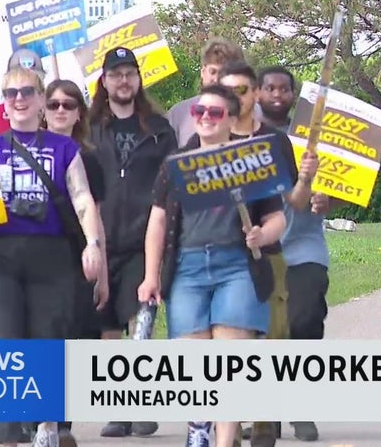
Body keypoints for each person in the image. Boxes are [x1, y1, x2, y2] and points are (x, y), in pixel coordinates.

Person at [138, 85, 288, 447]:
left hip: (237, 267)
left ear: (232, 120)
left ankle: (223, 442)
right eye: (199, 112)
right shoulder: (176, 165)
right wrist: (150, 276)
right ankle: (199, 427)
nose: (205, 118)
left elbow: (277, 218)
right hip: (187, 268)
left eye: (215, 113)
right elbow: (157, 222)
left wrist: (262, 235)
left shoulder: (250, 163)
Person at [0, 67, 108, 447]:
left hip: (49, 258)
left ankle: (48, 427)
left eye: (27, 92)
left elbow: (82, 197)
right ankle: (7, 438)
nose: (19, 99)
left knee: (49, 343)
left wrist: (92, 243)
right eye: (11, 93)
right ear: (3, 100)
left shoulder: (63, 148)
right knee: (1, 347)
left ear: (39, 98)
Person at [219, 62, 318, 447]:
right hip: (223, 255)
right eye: (228, 91)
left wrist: (307, 178)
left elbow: (293, 199)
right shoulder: (207, 139)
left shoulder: (275, 143)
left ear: (253, 94)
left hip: (270, 252)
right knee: (233, 342)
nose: (235, 99)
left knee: (273, 337)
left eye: (242, 91)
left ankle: (264, 420)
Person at [85, 47, 177, 439]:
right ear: (103, 81)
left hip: (146, 239)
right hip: (102, 240)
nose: (124, 80)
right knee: (107, 326)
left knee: (141, 321)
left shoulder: (159, 128)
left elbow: (175, 183)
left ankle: (140, 404)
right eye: (116, 73)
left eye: (130, 73)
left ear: (139, 80)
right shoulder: (88, 131)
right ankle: (117, 408)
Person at [250, 65, 329, 444]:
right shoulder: (247, 133)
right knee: (264, 333)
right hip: (262, 250)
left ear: (294, 95)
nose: (277, 95)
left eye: (284, 89)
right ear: (258, 92)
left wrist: (325, 197)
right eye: (270, 88)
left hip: (305, 247)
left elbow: (336, 186)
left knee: (304, 323)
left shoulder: (312, 137)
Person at [31, 78, 107, 445]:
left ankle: (61, 425)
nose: (61, 110)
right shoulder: (22, 149)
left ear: (80, 113)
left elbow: (97, 216)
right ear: (43, 110)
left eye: (69, 104)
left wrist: (103, 273)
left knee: (66, 342)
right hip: (30, 260)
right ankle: (39, 419)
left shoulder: (89, 158)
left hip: (75, 262)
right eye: (54, 103)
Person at [166, 37, 263, 144]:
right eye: (212, 72)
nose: (216, 79)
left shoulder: (256, 113)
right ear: (203, 72)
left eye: (223, 73)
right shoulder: (179, 113)